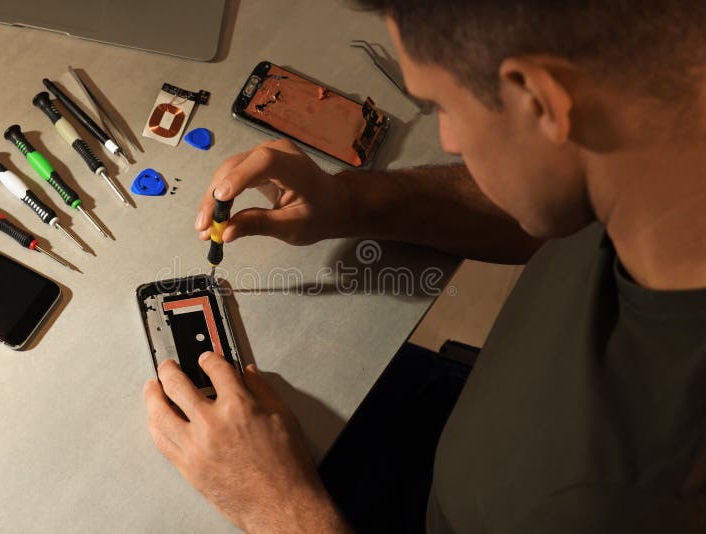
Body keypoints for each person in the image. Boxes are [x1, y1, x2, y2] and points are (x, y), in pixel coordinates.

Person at [143, 0, 706, 532]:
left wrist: (275, 505)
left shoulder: (615, 498)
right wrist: (350, 203)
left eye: (443, 107)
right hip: (473, 421)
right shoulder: (655, 157)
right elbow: (555, 187)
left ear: (540, 100)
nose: (448, 140)